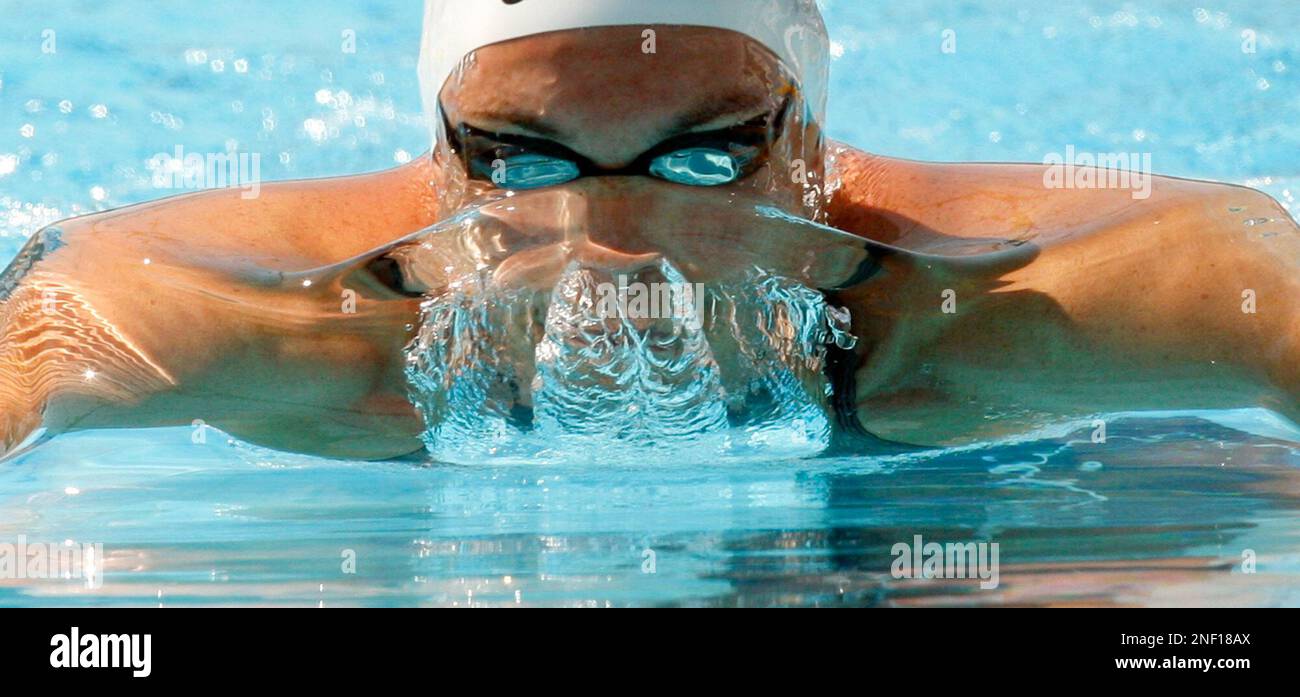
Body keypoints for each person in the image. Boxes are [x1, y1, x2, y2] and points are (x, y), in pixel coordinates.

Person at [2, 0, 1297, 461]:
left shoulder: (1024, 300)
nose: (612, 236)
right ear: (438, 161)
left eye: (699, 155)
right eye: (522, 159)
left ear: (808, 154)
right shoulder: (278, 316)